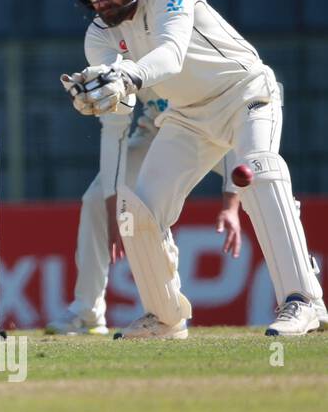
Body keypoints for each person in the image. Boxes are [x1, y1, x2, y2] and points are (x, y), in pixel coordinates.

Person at [62, 0, 324, 338]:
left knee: (259, 171)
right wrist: (103, 94)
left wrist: (127, 76)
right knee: (139, 209)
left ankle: (303, 300)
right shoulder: (98, 37)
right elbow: (116, 96)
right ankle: (164, 317)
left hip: (245, 93)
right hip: (187, 117)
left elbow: (171, 55)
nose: (101, 3)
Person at [46, 94, 245, 335]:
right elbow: (114, 129)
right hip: (155, 131)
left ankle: (298, 292)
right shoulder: (112, 57)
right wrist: (112, 208)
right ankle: (88, 310)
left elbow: (239, 136)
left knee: (262, 180)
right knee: (97, 199)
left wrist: (231, 202)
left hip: (208, 129)